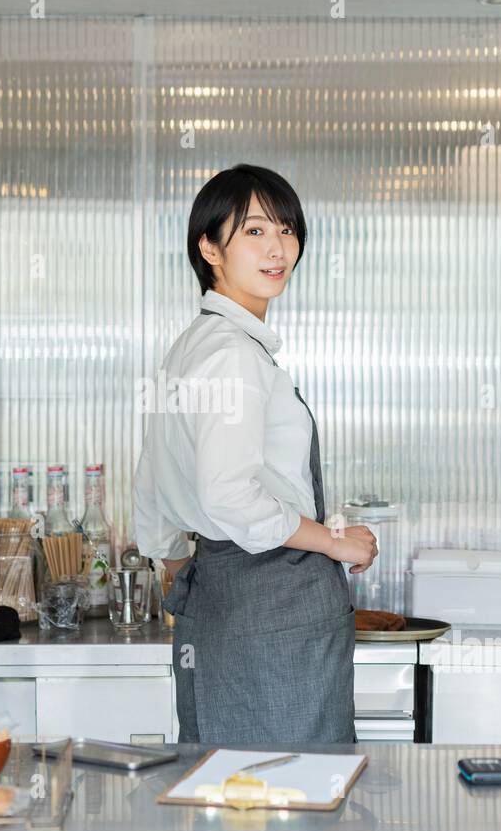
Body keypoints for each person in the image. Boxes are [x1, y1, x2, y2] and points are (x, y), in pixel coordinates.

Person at [133, 163, 377, 744]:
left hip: (218, 599)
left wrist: (181, 566)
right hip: (277, 603)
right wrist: (335, 542)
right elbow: (229, 493)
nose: (278, 249)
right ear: (209, 247)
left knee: (225, 788)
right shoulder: (234, 355)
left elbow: (151, 483)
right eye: (254, 231)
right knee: (291, 791)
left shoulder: (191, 347)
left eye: (288, 231)